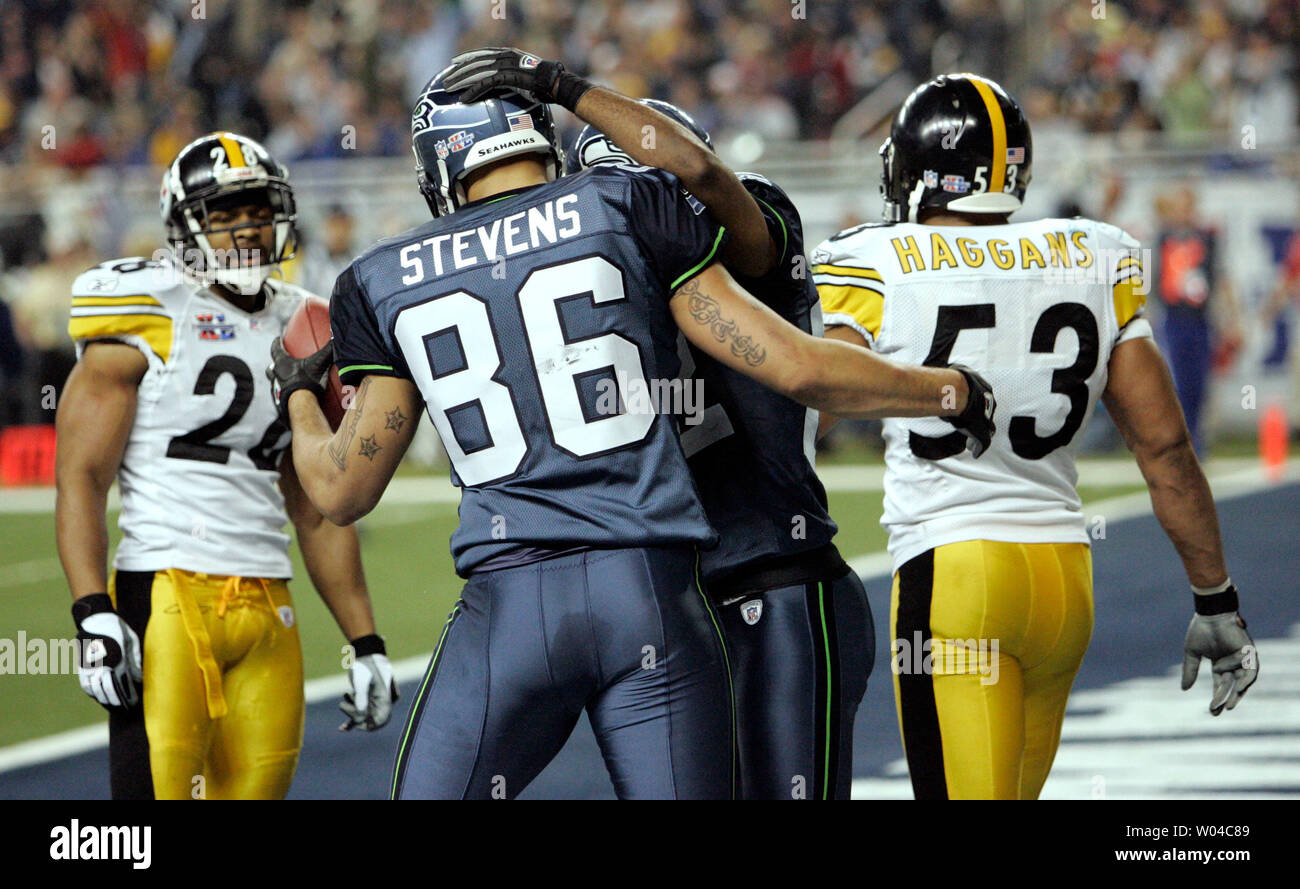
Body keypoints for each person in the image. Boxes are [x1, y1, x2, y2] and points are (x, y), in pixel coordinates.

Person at [270, 56, 994, 800]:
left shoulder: (382, 275)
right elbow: (795, 363)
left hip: (539, 597)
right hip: (652, 588)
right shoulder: (622, 207)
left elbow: (342, 490)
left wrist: (296, 392)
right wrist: (950, 390)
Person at [812, 74, 1258, 800]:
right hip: (1063, 582)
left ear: (922, 171)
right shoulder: (1090, 253)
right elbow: (1166, 450)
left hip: (956, 575)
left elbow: (812, 406)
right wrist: (1215, 598)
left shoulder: (877, 261)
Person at [56, 132, 396, 800]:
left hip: (269, 601)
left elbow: (316, 504)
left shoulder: (307, 324)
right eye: (224, 213)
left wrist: (366, 638)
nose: (246, 227)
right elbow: (82, 476)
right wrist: (93, 609)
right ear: (187, 224)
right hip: (164, 593)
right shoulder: (146, 307)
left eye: (258, 209)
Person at [559, 88, 873, 799]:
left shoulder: (743, 226)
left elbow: (704, 180)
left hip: (779, 581)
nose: (641, 217)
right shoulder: (584, 300)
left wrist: (560, 87)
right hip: (676, 614)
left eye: (651, 193)